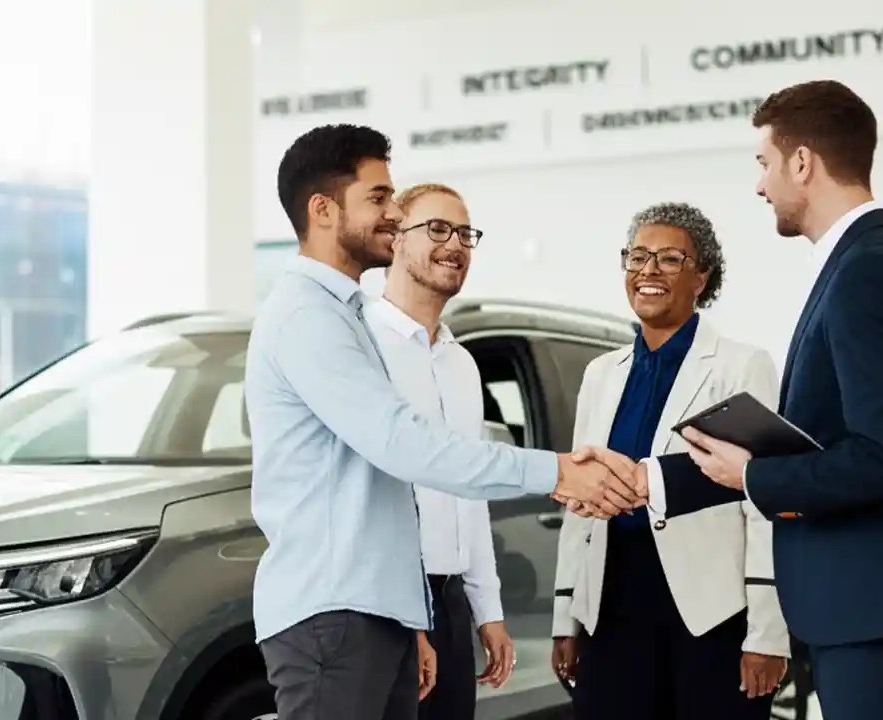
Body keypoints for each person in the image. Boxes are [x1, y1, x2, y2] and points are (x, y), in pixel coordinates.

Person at [245, 124, 644, 720]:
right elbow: (405, 448)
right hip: (333, 615)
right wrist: (556, 470)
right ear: (323, 210)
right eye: (378, 198)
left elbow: (393, 490)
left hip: (375, 611)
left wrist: (415, 614)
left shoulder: (343, 315)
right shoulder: (308, 317)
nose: (390, 212)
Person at [673, 80, 883, 718]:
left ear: (802, 162)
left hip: (876, 608)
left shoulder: (869, 273)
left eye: (764, 163)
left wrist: (754, 474)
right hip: (865, 605)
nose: (759, 185)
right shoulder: (860, 265)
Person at [550, 201, 790, 718]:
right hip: (610, 607)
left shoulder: (741, 366)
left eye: (669, 259)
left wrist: (768, 633)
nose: (648, 271)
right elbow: (579, 502)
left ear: (701, 276)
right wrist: (565, 618)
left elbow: (765, 502)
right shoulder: (601, 374)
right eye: (637, 257)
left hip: (710, 615)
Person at [362, 182, 516, 720]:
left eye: (465, 233)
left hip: (448, 600)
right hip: (383, 602)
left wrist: (486, 610)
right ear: (395, 240)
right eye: (437, 229)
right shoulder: (363, 345)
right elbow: (376, 492)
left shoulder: (461, 365)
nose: (455, 244)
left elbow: (468, 492)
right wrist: (409, 618)